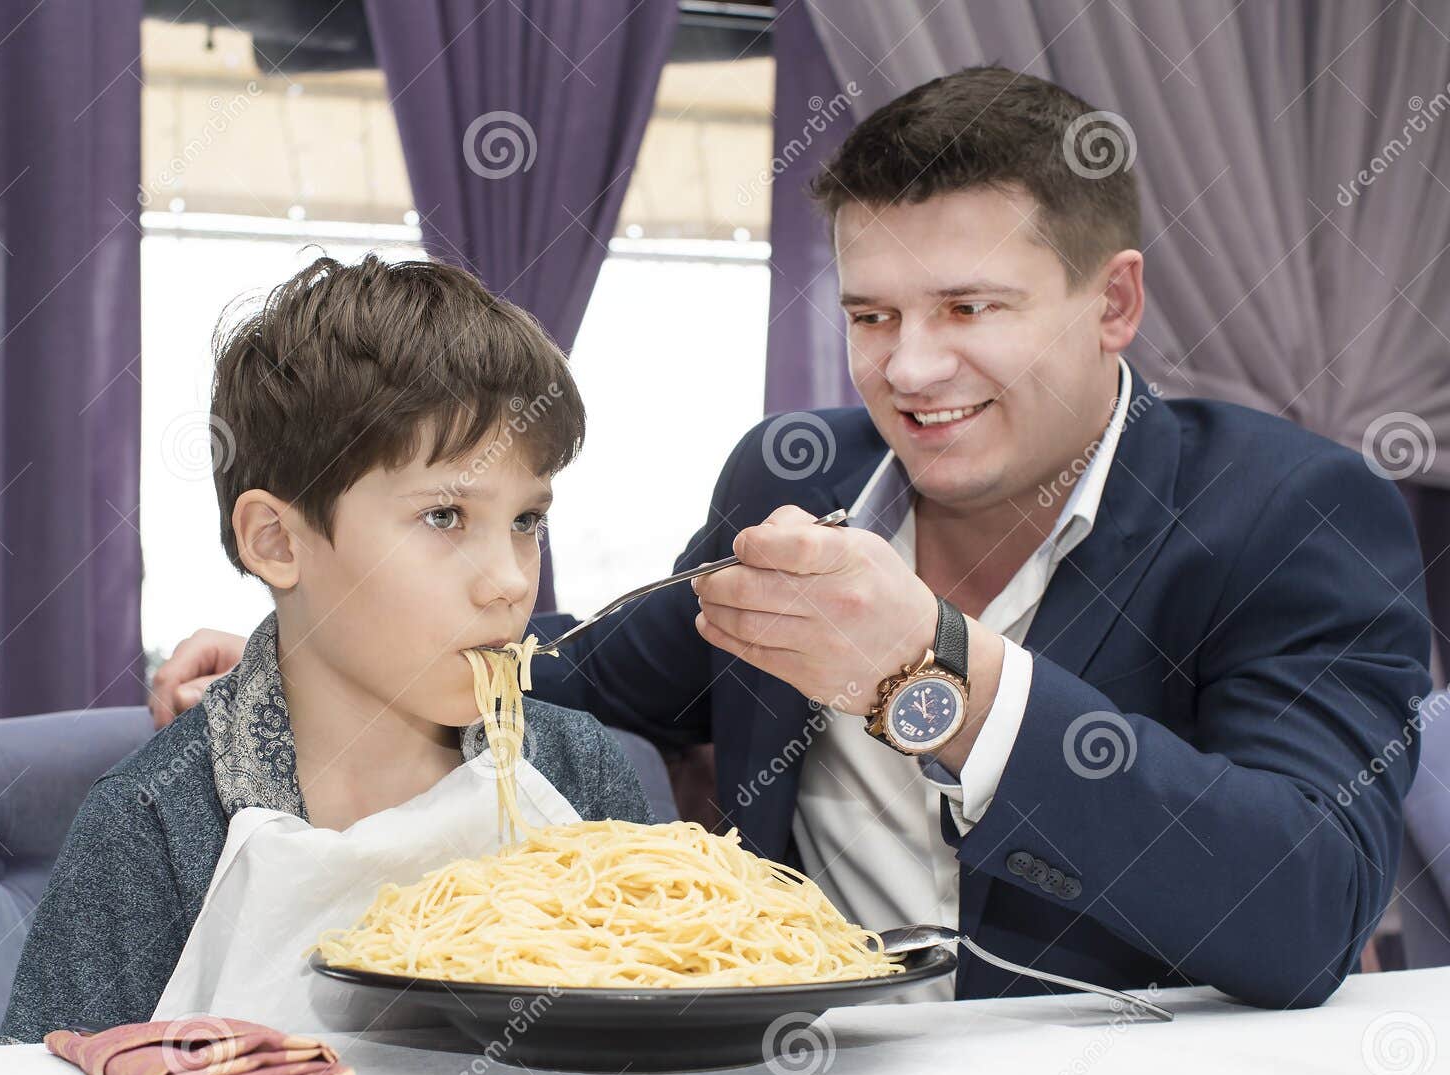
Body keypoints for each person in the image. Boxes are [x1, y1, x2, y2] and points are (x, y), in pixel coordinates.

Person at [152, 68, 1430, 1009]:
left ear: (1113, 302)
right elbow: (578, 670)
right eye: (872, 314)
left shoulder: (1291, 513)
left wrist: (934, 682)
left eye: (969, 306)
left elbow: (1302, 908)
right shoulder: (795, 479)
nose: (911, 369)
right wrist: (307, 645)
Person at [0, 256, 649, 1043]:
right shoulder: (158, 824)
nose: (510, 582)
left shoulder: (577, 772)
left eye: (526, 521)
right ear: (276, 541)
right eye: (445, 517)